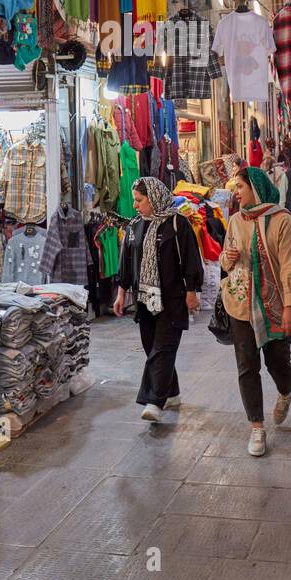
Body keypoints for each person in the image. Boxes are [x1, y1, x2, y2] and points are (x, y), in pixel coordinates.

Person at [220, 167, 291, 457]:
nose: (236, 192)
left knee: (278, 363)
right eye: (235, 187)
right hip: (240, 305)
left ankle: (285, 392)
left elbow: (290, 267)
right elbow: (225, 263)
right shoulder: (235, 221)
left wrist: (290, 306)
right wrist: (226, 259)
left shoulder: (282, 221)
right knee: (246, 366)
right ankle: (257, 427)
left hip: (274, 305)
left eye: (240, 186)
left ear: (255, 187)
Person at [114, 176, 203, 423]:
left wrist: (192, 291)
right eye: (135, 201)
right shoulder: (134, 226)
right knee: (152, 348)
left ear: (153, 198)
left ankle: (154, 401)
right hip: (144, 301)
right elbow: (126, 263)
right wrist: (121, 294)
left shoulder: (177, 224)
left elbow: (191, 259)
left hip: (172, 300)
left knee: (162, 349)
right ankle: (171, 392)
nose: (135, 205)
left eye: (140, 200)